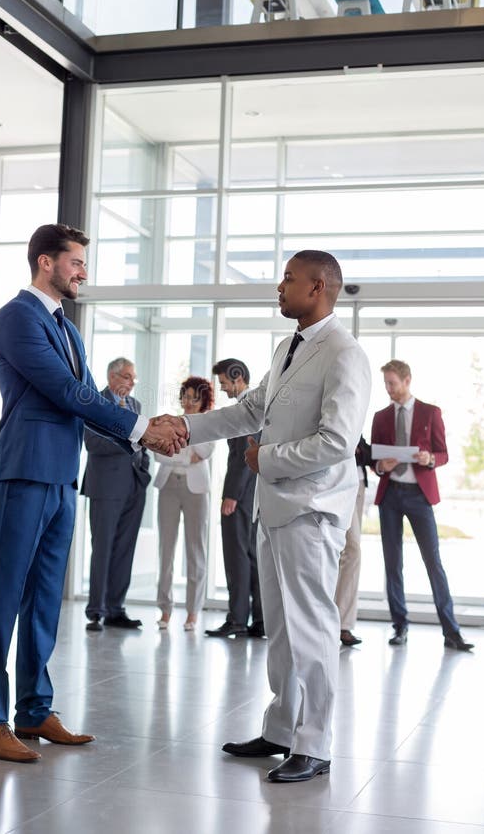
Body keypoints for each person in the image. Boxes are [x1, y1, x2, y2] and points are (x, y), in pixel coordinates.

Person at [0, 223, 183, 763]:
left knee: (43, 600)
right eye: (76, 262)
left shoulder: (67, 328)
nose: (83, 271)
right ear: (46, 262)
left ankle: (35, 709)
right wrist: (142, 432)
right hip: (25, 473)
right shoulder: (17, 318)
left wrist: (144, 429)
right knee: (2, 596)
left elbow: (87, 396)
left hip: (63, 475)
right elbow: (65, 392)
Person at [156, 250, 371, 783]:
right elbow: (250, 411)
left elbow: (338, 441)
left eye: (289, 279)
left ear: (318, 286)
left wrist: (263, 460)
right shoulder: (287, 348)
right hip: (276, 509)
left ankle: (315, 744)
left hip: (311, 511)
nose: (280, 287)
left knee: (313, 629)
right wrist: (183, 424)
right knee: (280, 628)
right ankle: (281, 729)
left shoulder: (345, 353)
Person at [371, 359, 474, 652]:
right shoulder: (380, 417)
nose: (388, 389)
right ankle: (400, 626)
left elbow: (443, 453)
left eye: (392, 383)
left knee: (433, 562)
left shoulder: (431, 412)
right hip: (390, 495)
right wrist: (380, 465)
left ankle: (451, 631)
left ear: (407, 380)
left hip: (419, 495)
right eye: (386, 384)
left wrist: (430, 459)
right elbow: (373, 460)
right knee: (393, 564)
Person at [82, 357, 150, 632]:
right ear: (112, 377)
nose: (131, 382)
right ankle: (96, 611)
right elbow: (92, 442)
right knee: (103, 549)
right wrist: (130, 442)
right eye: (126, 376)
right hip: (106, 487)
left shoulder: (136, 406)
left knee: (125, 549)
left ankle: (115, 609)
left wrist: (143, 469)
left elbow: (142, 443)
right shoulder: (94, 402)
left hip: (134, 485)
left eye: (133, 378)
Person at [205, 358, 264, 638]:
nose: (222, 387)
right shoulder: (255, 405)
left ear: (237, 377)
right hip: (254, 495)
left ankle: (238, 619)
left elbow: (242, 456)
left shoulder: (245, 407)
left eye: (224, 381)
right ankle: (259, 620)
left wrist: (231, 495)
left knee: (237, 556)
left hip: (241, 495)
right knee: (252, 556)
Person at [155, 377, 215, 633]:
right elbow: (159, 452)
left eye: (194, 398)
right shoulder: (168, 421)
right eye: (185, 397)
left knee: (195, 551)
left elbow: (203, 453)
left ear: (203, 401)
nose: (188, 402)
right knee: (166, 550)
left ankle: (193, 612)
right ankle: (165, 609)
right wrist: (182, 452)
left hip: (196, 491)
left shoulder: (209, 425)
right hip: (168, 487)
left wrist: (176, 450)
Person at [335, 436, 372, 647]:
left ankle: (342, 623)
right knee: (352, 550)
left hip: (357, 484)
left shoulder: (354, 410)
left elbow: (364, 450)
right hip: (338, 484)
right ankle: (339, 624)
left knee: (349, 552)